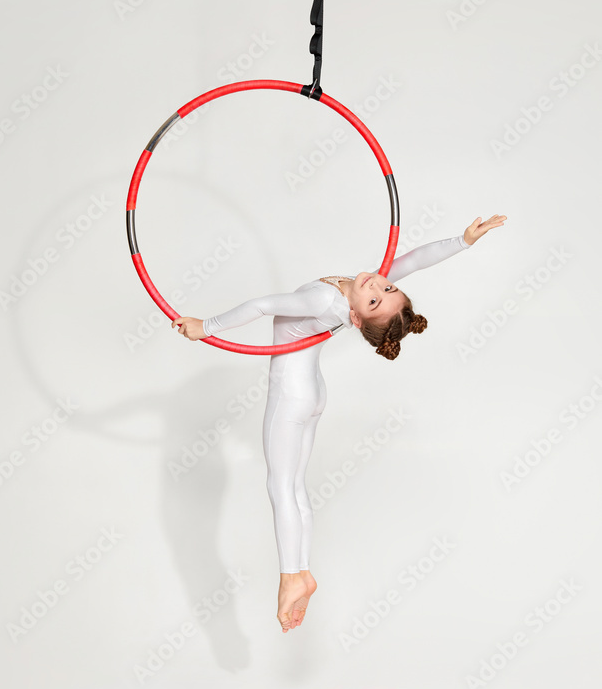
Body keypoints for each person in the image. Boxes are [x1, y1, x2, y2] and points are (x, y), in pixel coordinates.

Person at [172, 214, 507, 632]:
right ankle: (303, 572)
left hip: (291, 397)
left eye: (374, 300)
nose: (377, 286)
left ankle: (291, 576)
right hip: (311, 393)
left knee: (280, 487)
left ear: (354, 319)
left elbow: (262, 306)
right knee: (294, 486)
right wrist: (462, 240)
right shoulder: (357, 290)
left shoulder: (325, 304)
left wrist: (207, 327)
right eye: (388, 288)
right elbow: (414, 260)